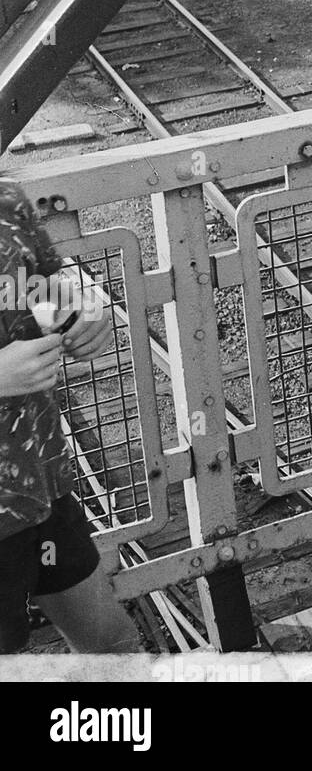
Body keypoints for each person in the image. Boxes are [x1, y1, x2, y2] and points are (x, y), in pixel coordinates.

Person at [0, 178, 140, 655]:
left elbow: (39, 286)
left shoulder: (5, 201)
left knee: (114, 646)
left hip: (40, 491)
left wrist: (83, 312)